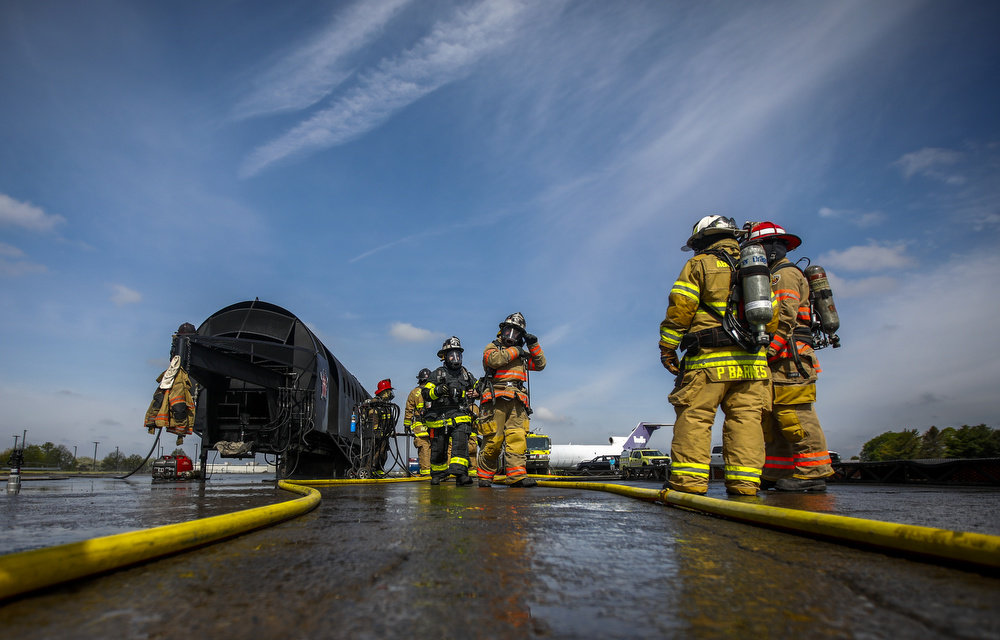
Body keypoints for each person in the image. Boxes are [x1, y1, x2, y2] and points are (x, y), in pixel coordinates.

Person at [658, 215, 778, 496]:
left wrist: (668, 347)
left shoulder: (699, 264)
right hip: (753, 365)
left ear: (702, 241)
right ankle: (744, 485)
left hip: (708, 360)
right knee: (746, 422)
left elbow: (681, 308)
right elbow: (771, 320)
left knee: (695, 417)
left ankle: (689, 482)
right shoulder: (756, 269)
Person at [743, 221, 834, 492]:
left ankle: (813, 471)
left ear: (773, 246)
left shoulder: (784, 274)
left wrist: (771, 349)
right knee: (774, 418)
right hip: (779, 358)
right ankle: (777, 470)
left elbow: (786, 316)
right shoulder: (771, 275)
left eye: (758, 247)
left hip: (791, 357)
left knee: (795, 415)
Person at [477, 312, 546, 488]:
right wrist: (517, 350)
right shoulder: (493, 347)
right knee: (493, 440)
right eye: (509, 331)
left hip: (517, 401)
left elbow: (540, 365)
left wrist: (534, 346)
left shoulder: (521, 356)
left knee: (517, 438)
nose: (511, 335)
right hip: (495, 400)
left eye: (516, 333)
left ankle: (517, 476)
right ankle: (485, 477)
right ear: (502, 331)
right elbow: (493, 360)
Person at [422, 337, 479, 486]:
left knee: (461, 446)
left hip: (460, 416)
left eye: (458, 355)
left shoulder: (466, 375)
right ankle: (438, 474)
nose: (455, 358)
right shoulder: (437, 374)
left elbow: (478, 388)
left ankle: (461, 475)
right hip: (439, 418)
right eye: (452, 355)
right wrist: (438, 390)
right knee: (439, 448)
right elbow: (426, 394)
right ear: (445, 357)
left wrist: (477, 392)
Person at [404, 368, 432, 477]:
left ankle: (426, 472)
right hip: (434, 425)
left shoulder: (414, 393)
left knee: (424, 448)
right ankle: (437, 472)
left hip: (420, 426)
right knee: (436, 447)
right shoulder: (434, 391)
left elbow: (409, 409)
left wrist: (407, 425)